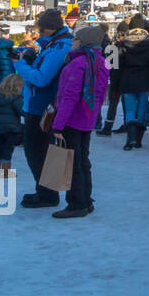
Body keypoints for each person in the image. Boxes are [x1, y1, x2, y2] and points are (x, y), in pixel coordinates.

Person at [13, 9, 74, 209]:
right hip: (40, 104)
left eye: (40, 28)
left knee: (37, 151)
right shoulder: (56, 43)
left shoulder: (58, 49)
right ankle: (45, 191)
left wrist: (20, 65)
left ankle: (47, 194)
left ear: (48, 28)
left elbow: (41, 78)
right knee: (40, 151)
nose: (38, 32)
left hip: (42, 107)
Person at [49, 25, 110, 219]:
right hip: (87, 118)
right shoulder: (102, 62)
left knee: (71, 164)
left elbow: (69, 96)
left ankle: (76, 204)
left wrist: (58, 124)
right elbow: (100, 95)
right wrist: (92, 116)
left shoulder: (77, 63)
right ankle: (86, 200)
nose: (72, 42)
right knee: (83, 160)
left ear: (82, 42)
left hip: (71, 120)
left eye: (75, 39)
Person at [117, 15, 149, 150]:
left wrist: (116, 84)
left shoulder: (122, 44)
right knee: (141, 110)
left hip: (128, 80)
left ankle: (130, 139)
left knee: (129, 110)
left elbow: (118, 67)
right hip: (145, 81)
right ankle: (139, 140)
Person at [0, 73, 25, 175]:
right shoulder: (16, 97)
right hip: (10, 128)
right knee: (7, 149)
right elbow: (21, 111)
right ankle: (6, 172)